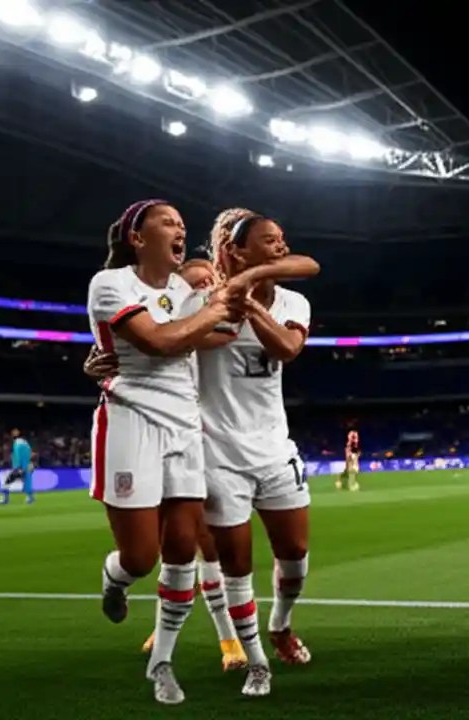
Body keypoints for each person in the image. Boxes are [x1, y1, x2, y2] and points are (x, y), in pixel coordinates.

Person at [87, 199, 247, 704]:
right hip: (132, 420)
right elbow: (157, 342)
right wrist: (212, 312)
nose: (181, 230)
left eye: (183, 223)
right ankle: (115, 579)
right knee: (141, 556)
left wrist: (224, 301)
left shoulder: (183, 290)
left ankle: (162, 664)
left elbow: (219, 335)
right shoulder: (110, 283)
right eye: (168, 223)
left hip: (184, 425)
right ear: (138, 237)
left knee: (183, 546)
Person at [197, 207, 319, 697]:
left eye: (281, 237)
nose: (281, 245)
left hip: (273, 449)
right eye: (269, 240)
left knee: (295, 554)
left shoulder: (293, 301)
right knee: (236, 566)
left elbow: (287, 349)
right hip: (218, 453)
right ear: (235, 250)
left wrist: (248, 298)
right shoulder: (201, 301)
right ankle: (256, 660)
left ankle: (281, 623)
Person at [0, 429, 33, 505]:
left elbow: (19, 456)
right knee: (26, 482)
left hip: (20, 467)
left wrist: (19, 467)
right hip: (27, 466)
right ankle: (30, 498)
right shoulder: (25, 443)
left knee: (6, 483)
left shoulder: (18, 443)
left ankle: (5, 499)